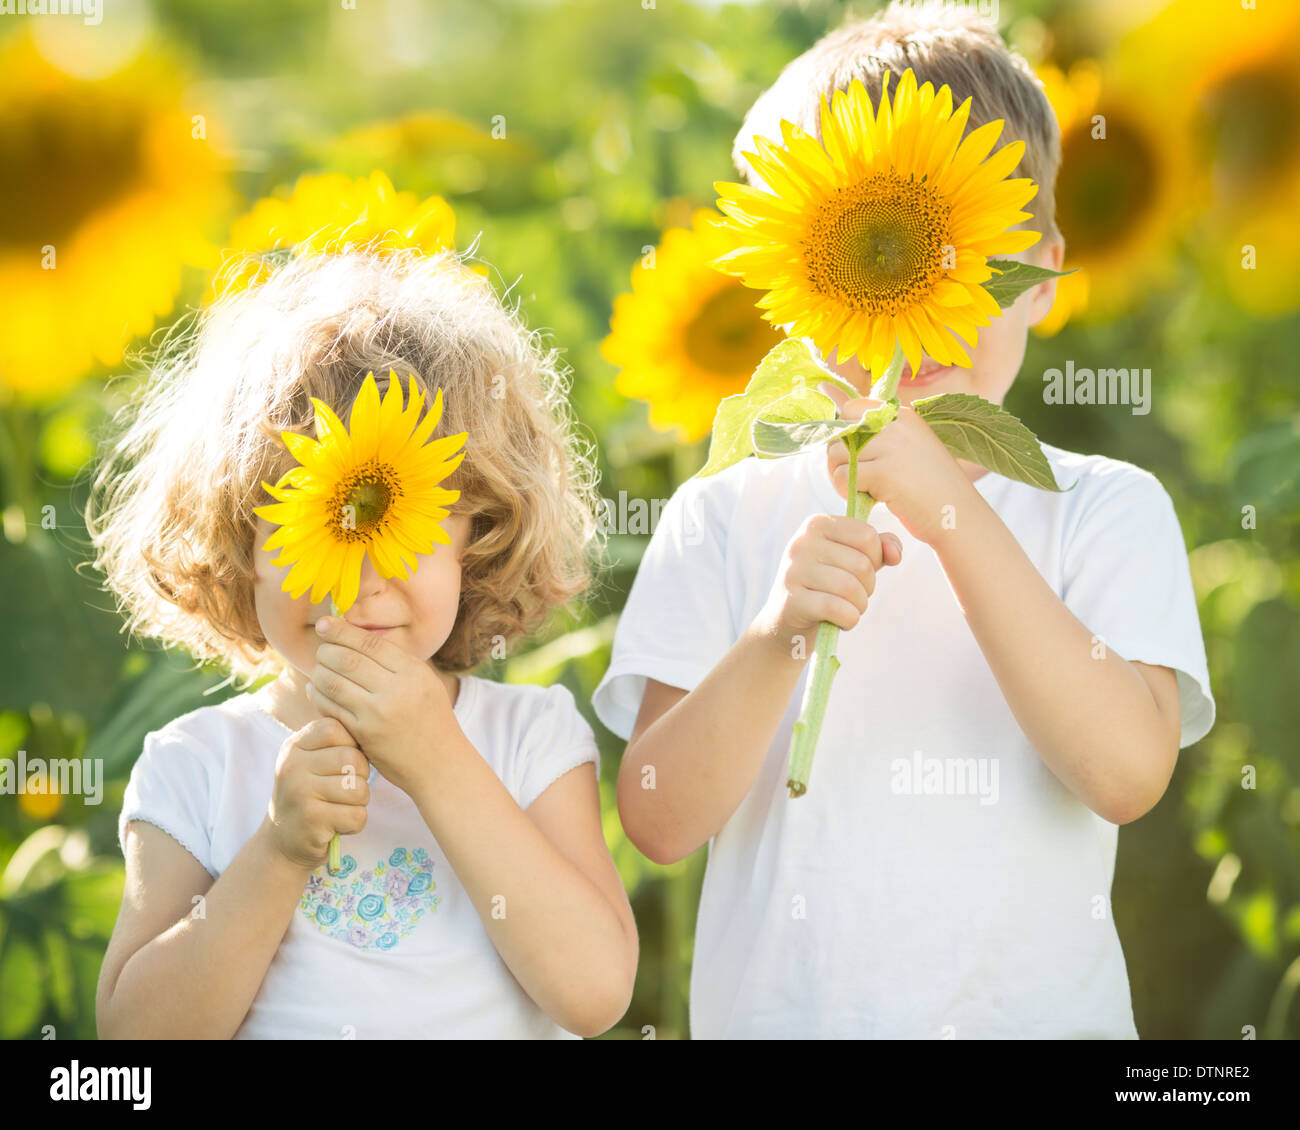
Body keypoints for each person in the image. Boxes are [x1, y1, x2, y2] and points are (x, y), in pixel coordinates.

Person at [593, 2, 1214, 1039]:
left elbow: (1123, 770)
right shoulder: (725, 513)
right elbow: (656, 814)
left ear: (1044, 275)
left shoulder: (1101, 508)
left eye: (966, 261)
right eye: (864, 248)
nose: (915, 292)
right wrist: (777, 633)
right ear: (795, 279)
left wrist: (954, 513)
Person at [90, 247, 636, 1038]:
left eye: (398, 518)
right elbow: (135, 1040)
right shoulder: (199, 766)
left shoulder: (528, 741)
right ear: (240, 544)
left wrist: (438, 760)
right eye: (314, 521)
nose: (361, 580)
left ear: (476, 532)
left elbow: (594, 994)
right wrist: (277, 851)